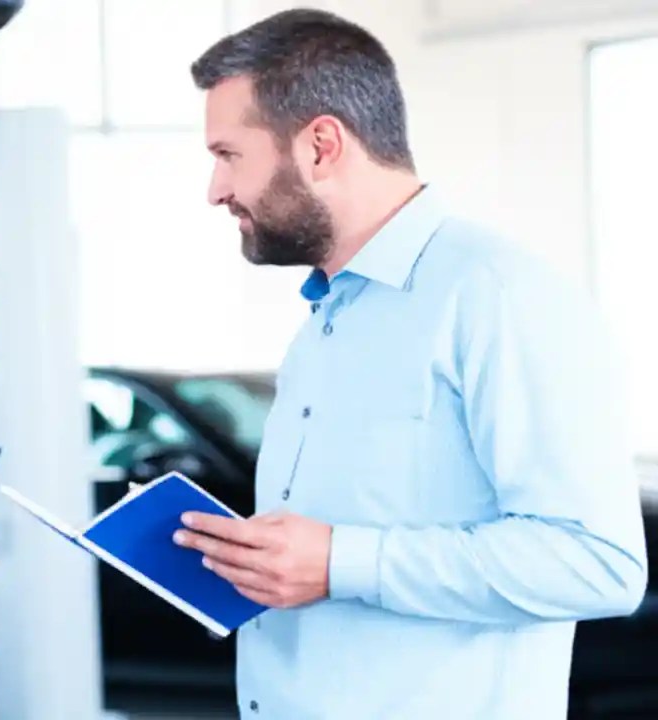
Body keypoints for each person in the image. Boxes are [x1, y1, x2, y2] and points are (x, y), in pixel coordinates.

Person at [171, 9, 648, 719]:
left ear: (321, 146)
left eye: (228, 154)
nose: (214, 189)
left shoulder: (497, 295)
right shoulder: (325, 323)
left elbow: (599, 562)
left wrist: (341, 561)